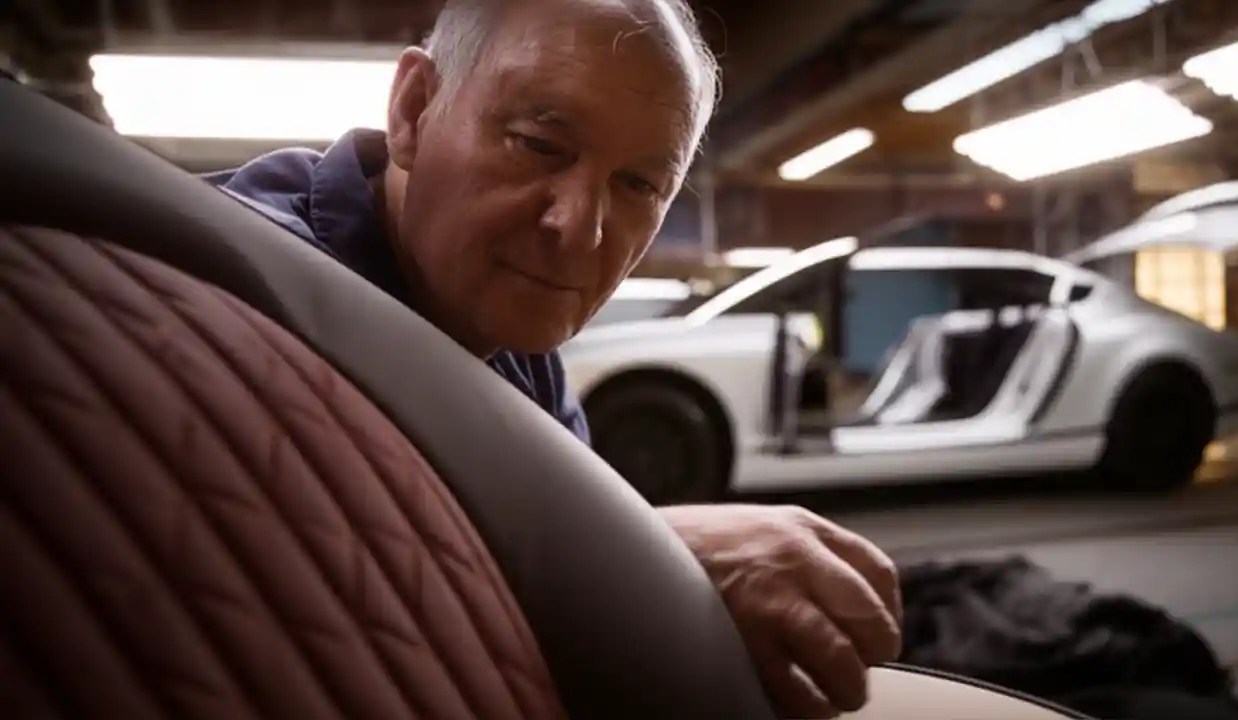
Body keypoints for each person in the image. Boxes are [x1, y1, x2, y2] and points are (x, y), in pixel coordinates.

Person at [207, 0, 902, 716]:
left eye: (639, 185)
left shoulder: (511, 335)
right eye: (538, 144)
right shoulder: (224, 294)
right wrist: (645, 560)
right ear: (415, 110)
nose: (580, 228)